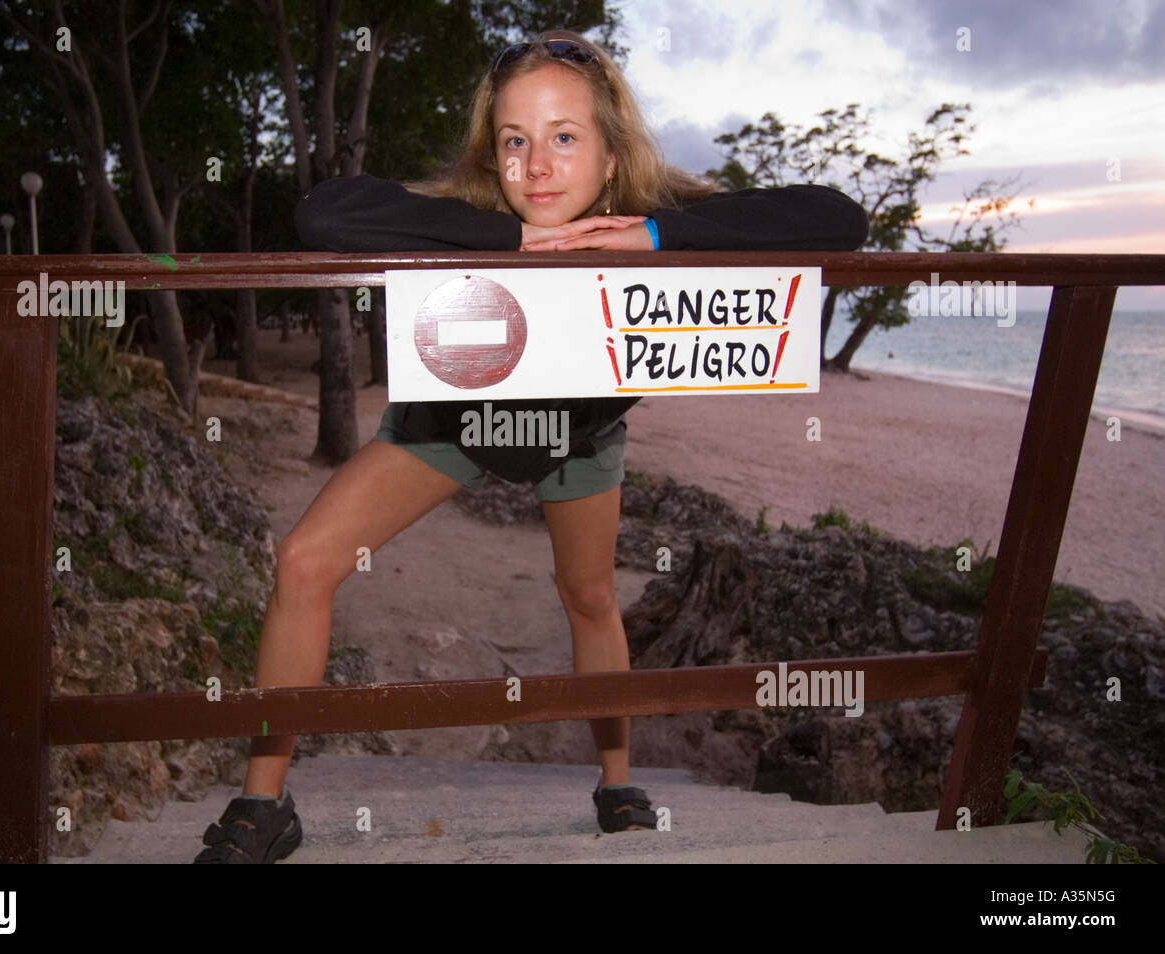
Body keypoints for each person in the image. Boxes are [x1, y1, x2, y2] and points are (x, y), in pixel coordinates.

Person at [194, 29, 868, 863]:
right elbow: (322, 212)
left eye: (563, 137)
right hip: (454, 425)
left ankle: (616, 781)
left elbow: (838, 217)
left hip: (578, 433)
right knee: (303, 560)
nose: (537, 166)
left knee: (588, 597)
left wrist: (649, 242)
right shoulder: (478, 215)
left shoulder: (658, 215)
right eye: (515, 140)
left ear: (611, 155)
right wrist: (516, 244)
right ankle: (264, 804)